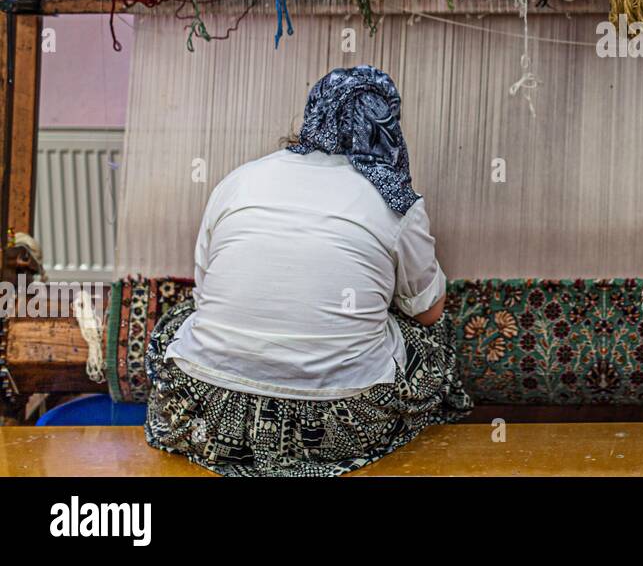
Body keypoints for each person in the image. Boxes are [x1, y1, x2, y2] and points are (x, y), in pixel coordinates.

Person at [144, 66, 471, 476]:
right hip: (344, 423)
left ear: (313, 114)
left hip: (207, 409)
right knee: (429, 336)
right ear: (387, 124)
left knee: (178, 318)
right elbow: (428, 312)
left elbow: (204, 294)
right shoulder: (398, 202)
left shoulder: (238, 181)